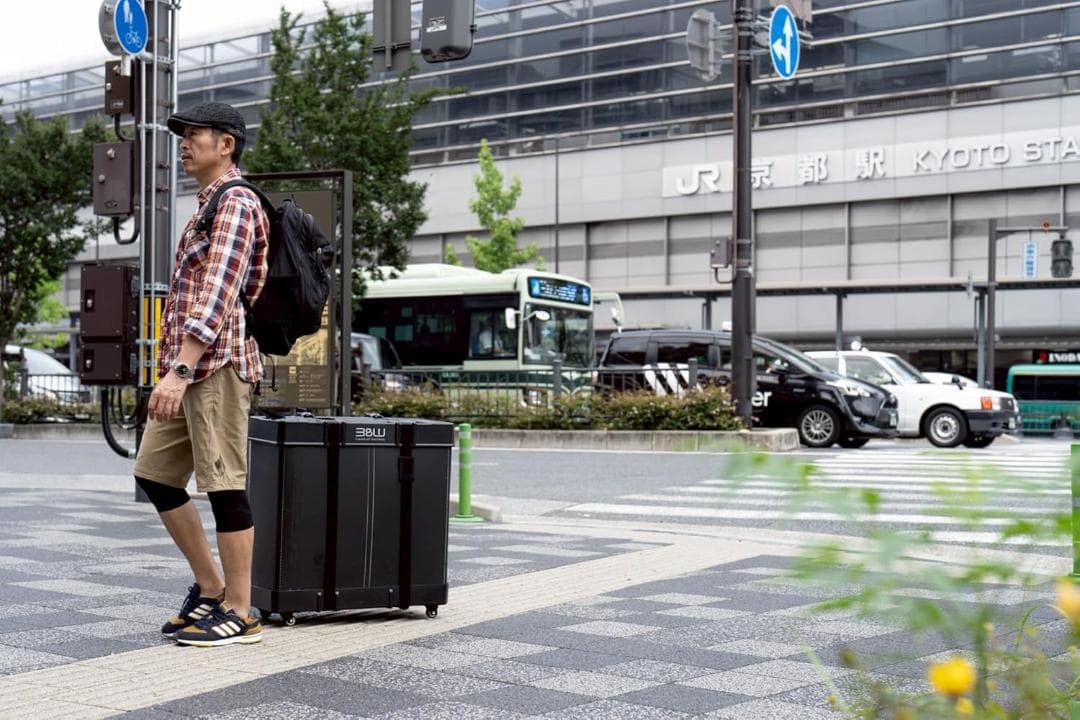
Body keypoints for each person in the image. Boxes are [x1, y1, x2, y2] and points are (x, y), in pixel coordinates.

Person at [131, 102, 269, 647]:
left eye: (195, 135)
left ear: (226, 144)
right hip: (189, 368)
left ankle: (241, 609)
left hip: (216, 366)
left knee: (224, 483)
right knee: (155, 473)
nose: (184, 143)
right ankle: (210, 588)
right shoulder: (208, 203)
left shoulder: (235, 201)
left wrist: (180, 370)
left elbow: (217, 293)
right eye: (182, 136)